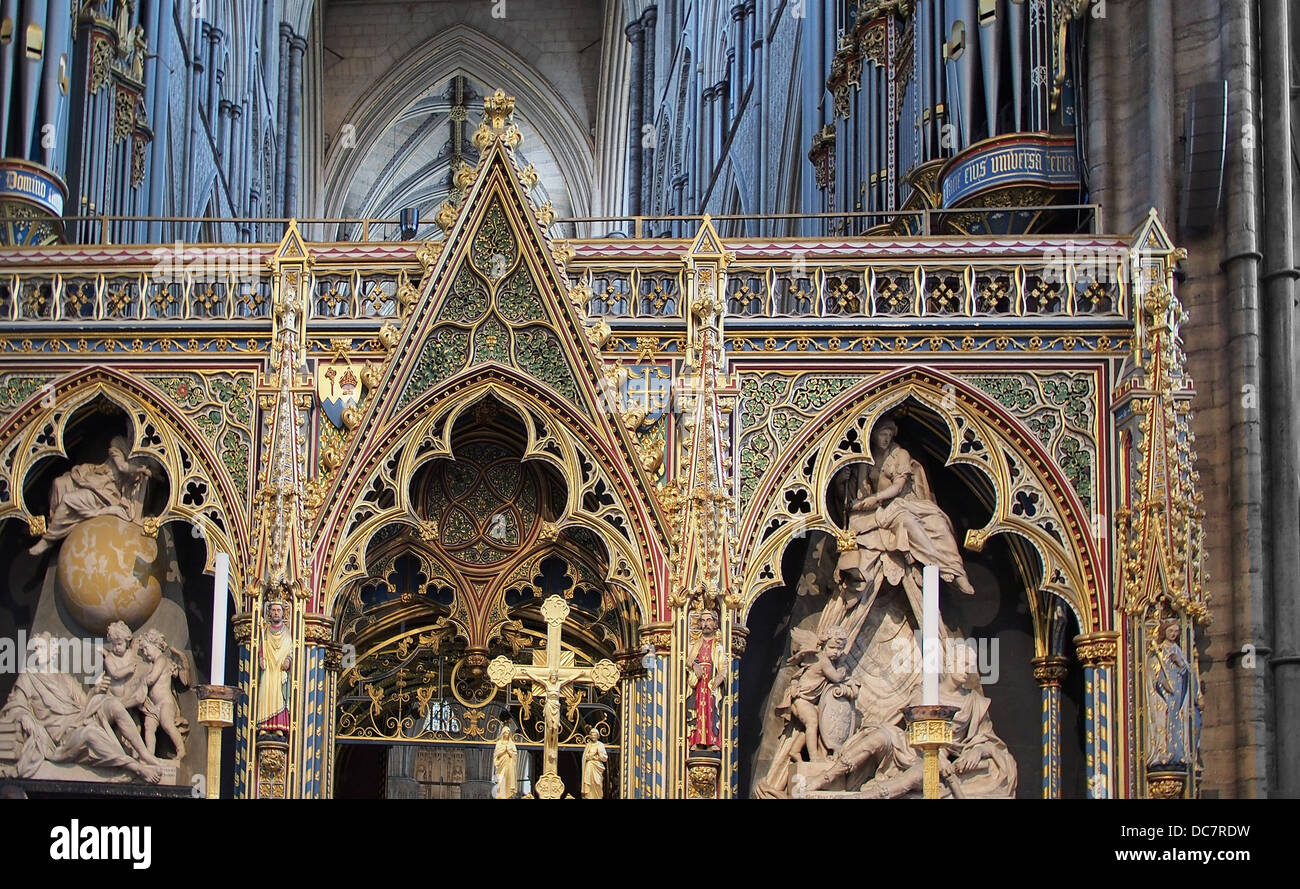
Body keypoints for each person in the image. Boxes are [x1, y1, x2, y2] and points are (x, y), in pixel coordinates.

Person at [836, 417, 975, 629]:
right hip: (885, 511)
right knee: (907, 522)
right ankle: (939, 565)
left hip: (903, 502)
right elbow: (849, 501)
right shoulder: (865, 460)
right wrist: (841, 481)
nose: (886, 438)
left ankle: (955, 571)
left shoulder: (900, 454)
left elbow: (897, 487)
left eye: (890, 435)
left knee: (939, 523)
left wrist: (875, 498)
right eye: (883, 434)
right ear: (872, 435)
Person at [0, 633, 161, 782]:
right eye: (35, 648)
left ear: (53, 649)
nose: (37, 652)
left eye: (41, 647)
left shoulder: (64, 677)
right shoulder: (28, 676)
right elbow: (14, 704)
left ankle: (145, 755)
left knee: (111, 703)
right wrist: (24, 715)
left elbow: (84, 704)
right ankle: (136, 768)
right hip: (62, 735)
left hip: (78, 718)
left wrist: (95, 690)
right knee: (90, 733)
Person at [29, 436, 151, 556]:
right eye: (130, 430)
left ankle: (49, 539)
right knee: (59, 483)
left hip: (105, 491)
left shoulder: (143, 460)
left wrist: (144, 470)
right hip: (95, 476)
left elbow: (140, 475)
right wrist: (141, 469)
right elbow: (122, 466)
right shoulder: (119, 442)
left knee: (68, 499)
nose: (131, 435)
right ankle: (55, 524)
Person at [775, 626, 857, 762]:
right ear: (824, 644)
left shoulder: (824, 659)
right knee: (812, 722)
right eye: (833, 648)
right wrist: (842, 669)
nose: (836, 653)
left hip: (807, 701)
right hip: (801, 699)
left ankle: (795, 751)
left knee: (814, 723)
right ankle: (814, 757)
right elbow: (836, 678)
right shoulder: (823, 660)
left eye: (840, 649)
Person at [137, 629, 190, 759]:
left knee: (167, 724)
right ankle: (150, 755)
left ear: (155, 644)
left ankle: (181, 750)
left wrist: (140, 681)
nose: (144, 653)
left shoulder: (161, 660)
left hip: (165, 702)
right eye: (142, 650)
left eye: (145, 648)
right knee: (149, 727)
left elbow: (151, 679)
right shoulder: (153, 663)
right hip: (153, 706)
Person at [1148, 619, 1189, 766]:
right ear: (1164, 631)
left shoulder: (1178, 650)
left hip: (1178, 689)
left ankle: (1177, 751)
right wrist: (1161, 681)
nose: (1173, 634)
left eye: (1176, 631)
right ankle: (1163, 750)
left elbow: (1186, 671)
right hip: (1164, 691)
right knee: (1165, 717)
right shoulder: (1160, 650)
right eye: (1170, 631)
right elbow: (1153, 669)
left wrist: (1181, 663)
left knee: (1177, 717)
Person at [686, 610, 727, 749]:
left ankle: (713, 741)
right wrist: (695, 665)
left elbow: (724, 666)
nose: (706, 624)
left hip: (711, 682)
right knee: (698, 709)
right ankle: (696, 741)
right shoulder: (697, 643)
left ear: (715, 624)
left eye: (709, 620)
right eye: (703, 621)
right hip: (699, 682)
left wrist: (720, 677)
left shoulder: (718, 645)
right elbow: (689, 660)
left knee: (711, 710)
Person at [256, 601, 293, 730]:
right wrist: (261, 658)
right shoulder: (265, 632)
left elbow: (290, 650)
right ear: (269, 612)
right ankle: (264, 726)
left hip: (279, 671)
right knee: (265, 695)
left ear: (283, 613)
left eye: (278, 610)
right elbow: (262, 648)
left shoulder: (287, 633)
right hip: (269, 670)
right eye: (273, 610)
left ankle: (279, 727)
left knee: (279, 696)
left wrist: (288, 660)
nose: (276, 613)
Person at [492, 724, 518, 799]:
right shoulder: (499, 743)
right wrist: (504, 751)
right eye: (506, 732)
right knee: (501, 780)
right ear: (503, 733)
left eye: (508, 733)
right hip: (501, 764)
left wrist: (509, 752)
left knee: (509, 780)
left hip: (509, 765)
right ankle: (501, 794)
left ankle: (508, 795)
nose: (507, 734)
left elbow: (515, 754)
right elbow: (496, 754)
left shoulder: (511, 743)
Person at [581, 728, 608, 799]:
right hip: (589, 766)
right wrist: (591, 755)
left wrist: (598, 755)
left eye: (595, 735)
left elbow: (605, 758)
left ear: (598, 736)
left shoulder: (600, 745)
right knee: (588, 782)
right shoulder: (588, 745)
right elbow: (585, 757)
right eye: (592, 735)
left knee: (598, 783)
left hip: (597, 767)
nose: (593, 736)